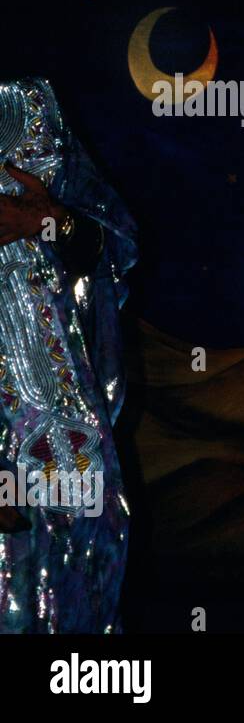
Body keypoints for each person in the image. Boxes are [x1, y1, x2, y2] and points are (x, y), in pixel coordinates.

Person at [0, 77, 138, 633]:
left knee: (74, 589)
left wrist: (41, 220)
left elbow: (109, 247)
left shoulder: (31, 104)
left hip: (57, 418)